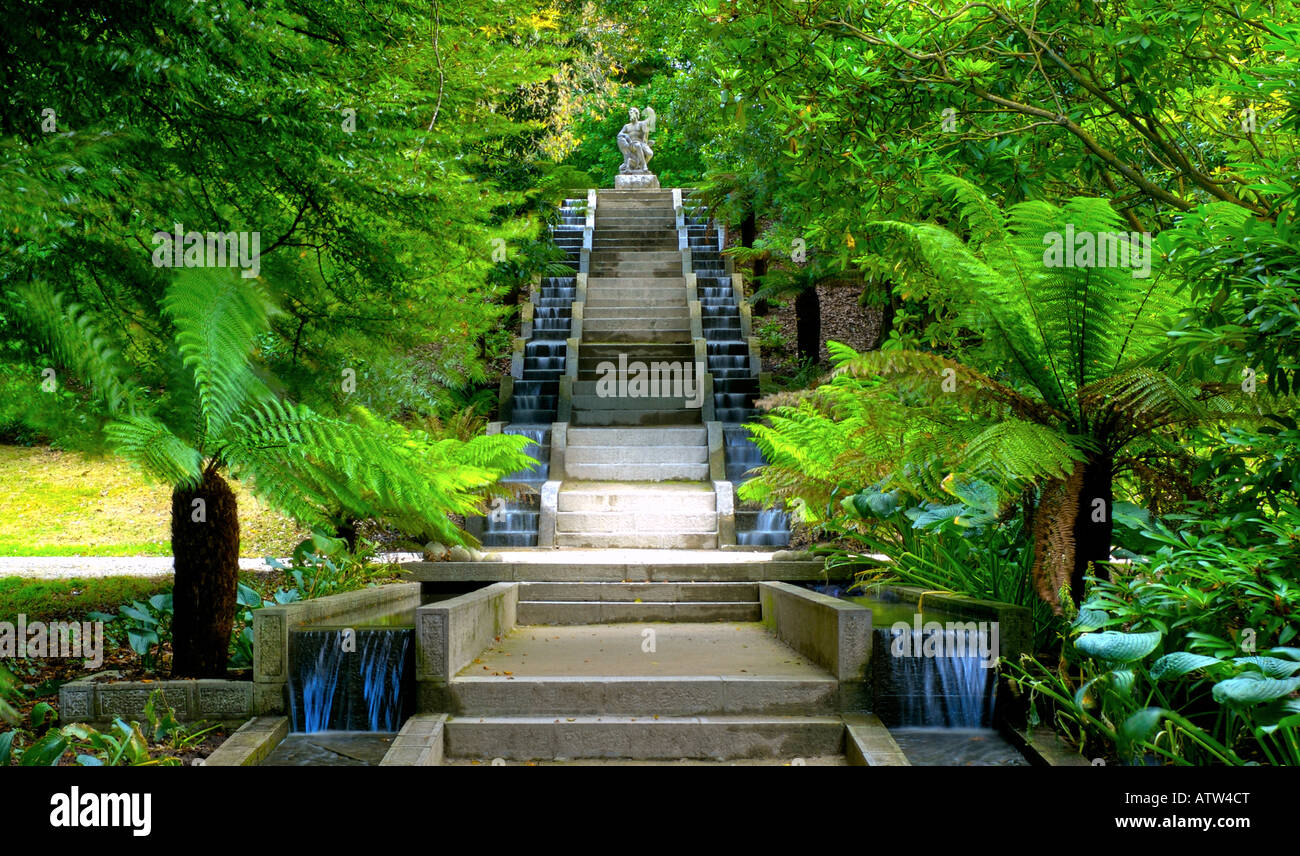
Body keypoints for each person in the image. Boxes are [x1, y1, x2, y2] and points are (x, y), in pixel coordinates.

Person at [617, 107, 654, 174]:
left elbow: (645, 136)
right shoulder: (626, 126)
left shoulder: (641, 124)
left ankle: (638, 165)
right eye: (630, 114)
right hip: (631, 144)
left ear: (636, 114)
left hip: (641, 143)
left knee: (650, 153)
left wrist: (647, 142)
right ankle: (644, 166)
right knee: (637, 145)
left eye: (631, 113)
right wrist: (626, 136)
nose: (630, 116)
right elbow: (620, 134)